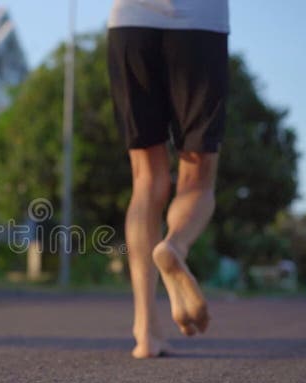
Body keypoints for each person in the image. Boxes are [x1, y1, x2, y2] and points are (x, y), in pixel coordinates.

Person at [106, 0, 229, 358]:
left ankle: (146, 331)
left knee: (146, 178)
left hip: (131, 23)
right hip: (200, 26)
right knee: (197, 180)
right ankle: (174, 247)